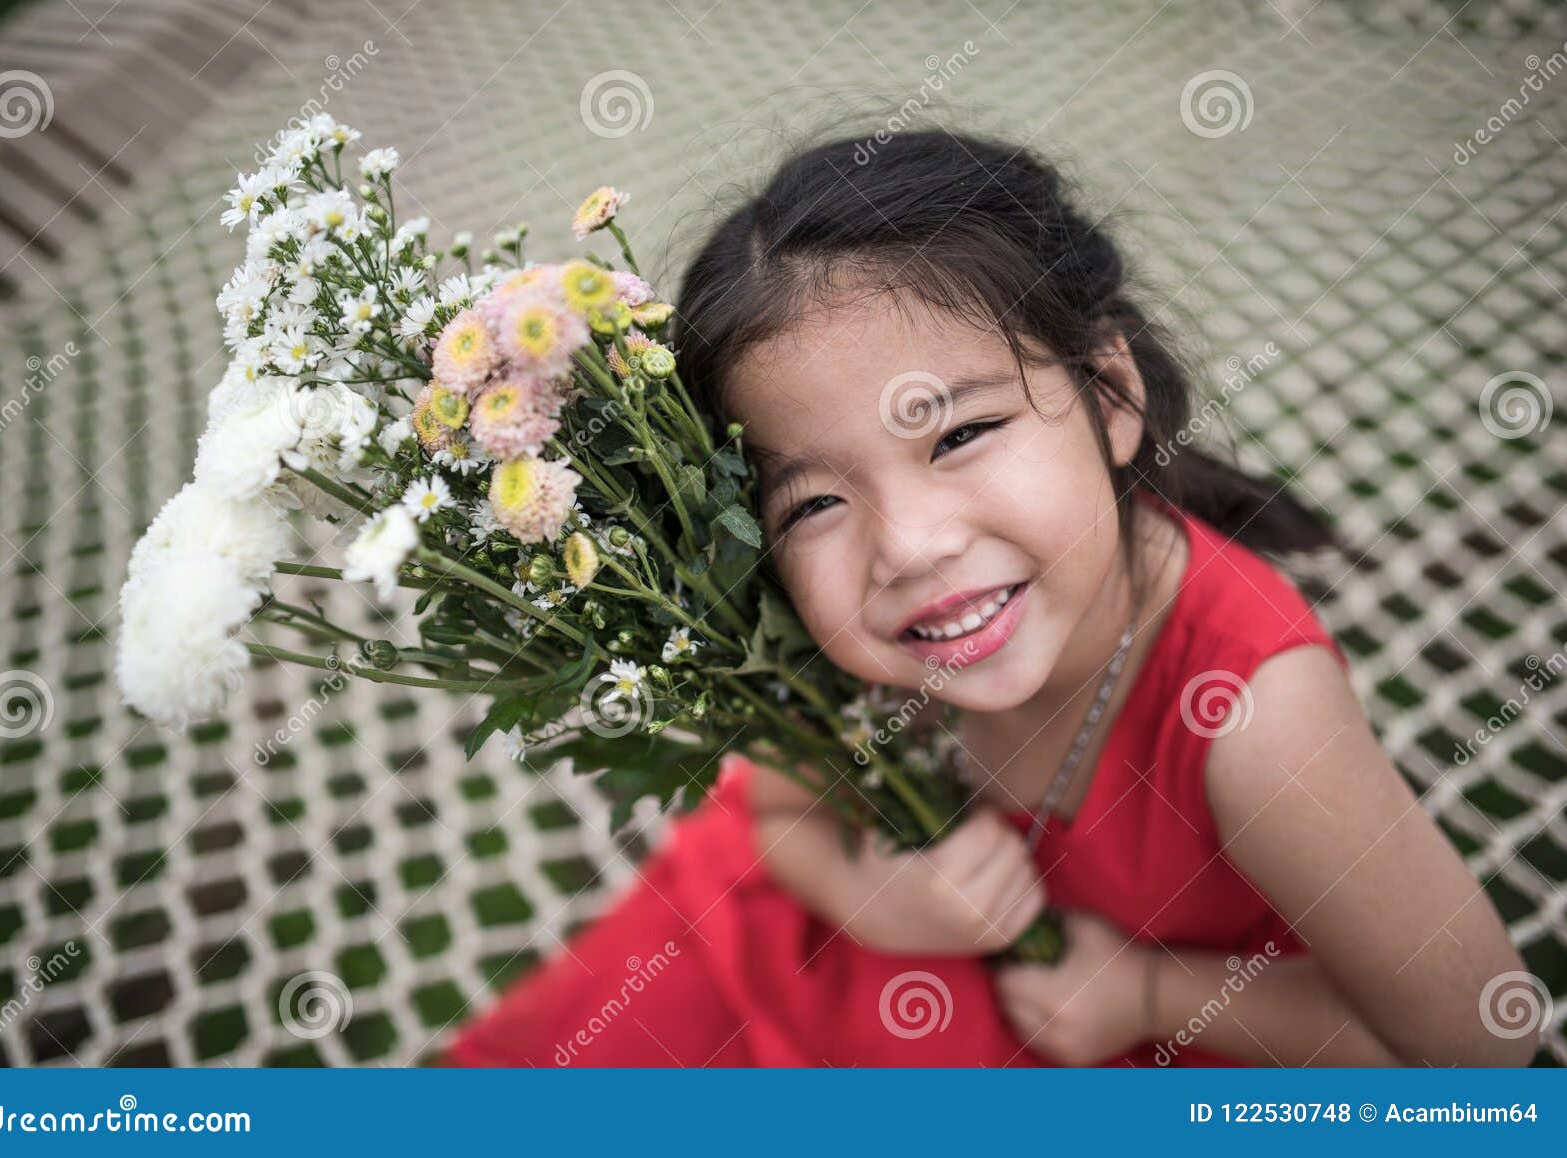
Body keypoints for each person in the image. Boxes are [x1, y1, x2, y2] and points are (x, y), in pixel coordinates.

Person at [445, 128, 1531, 1067]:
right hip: (828, 951)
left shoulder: (1253, 719)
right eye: (812, 503)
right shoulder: (822, 637)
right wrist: (867, 895)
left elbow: (1483, 1044)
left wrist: (1146, 995)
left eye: (958, 434)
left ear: (1108, 396)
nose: (909, 547)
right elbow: (774, 814)